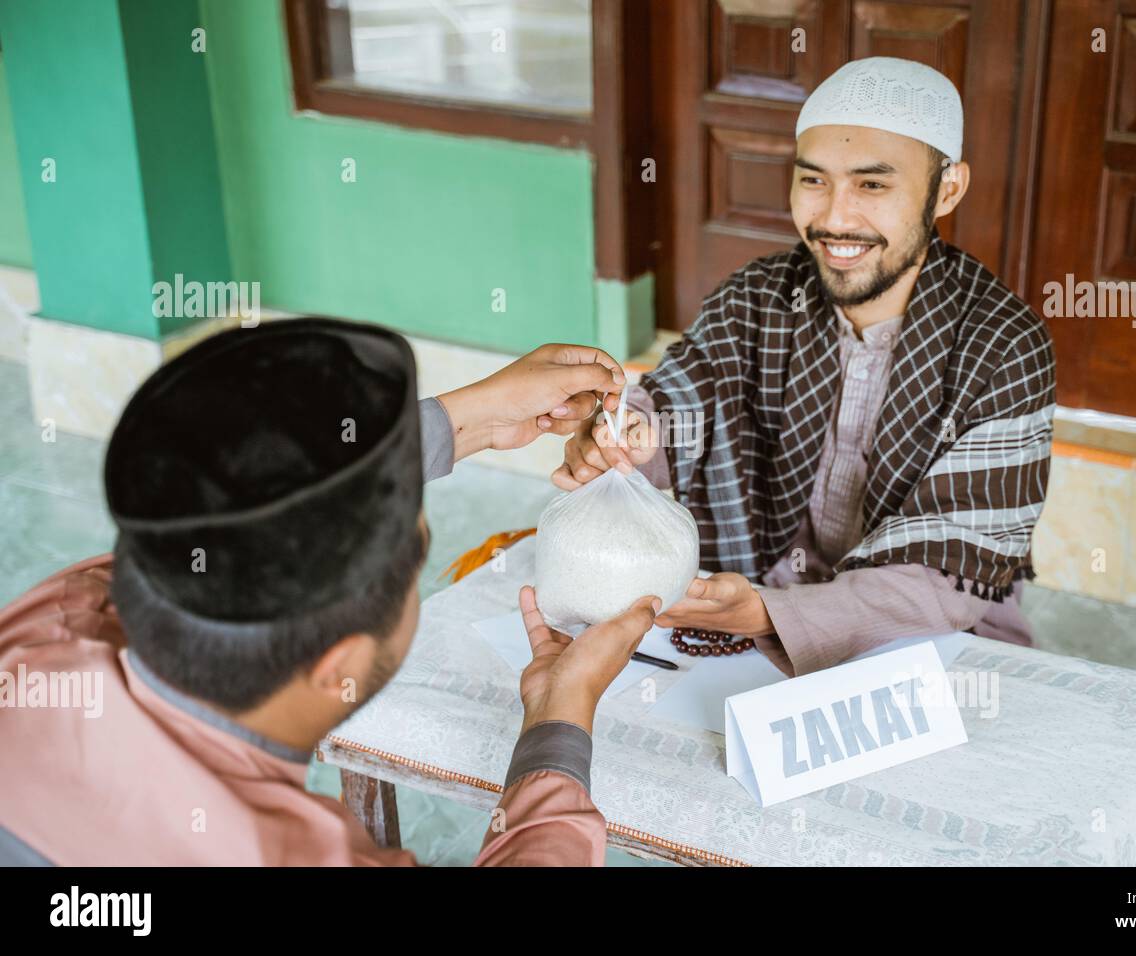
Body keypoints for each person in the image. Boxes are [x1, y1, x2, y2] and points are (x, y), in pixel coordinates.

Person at [0, 319, 655, 866]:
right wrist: (559, 717)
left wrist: (475, 419)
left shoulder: (54, 620)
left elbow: (228, 506)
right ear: (335, 668)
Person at [554, 57, 1056, 677]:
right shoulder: (760, 295)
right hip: (754, 588)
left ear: (946, 189)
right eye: (814, 180)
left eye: (872, 185)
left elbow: (948, 572)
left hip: (934, 633)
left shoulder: (1004, 342)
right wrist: (625, 435)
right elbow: (681, 399)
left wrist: (772, 615)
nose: (835, 218)